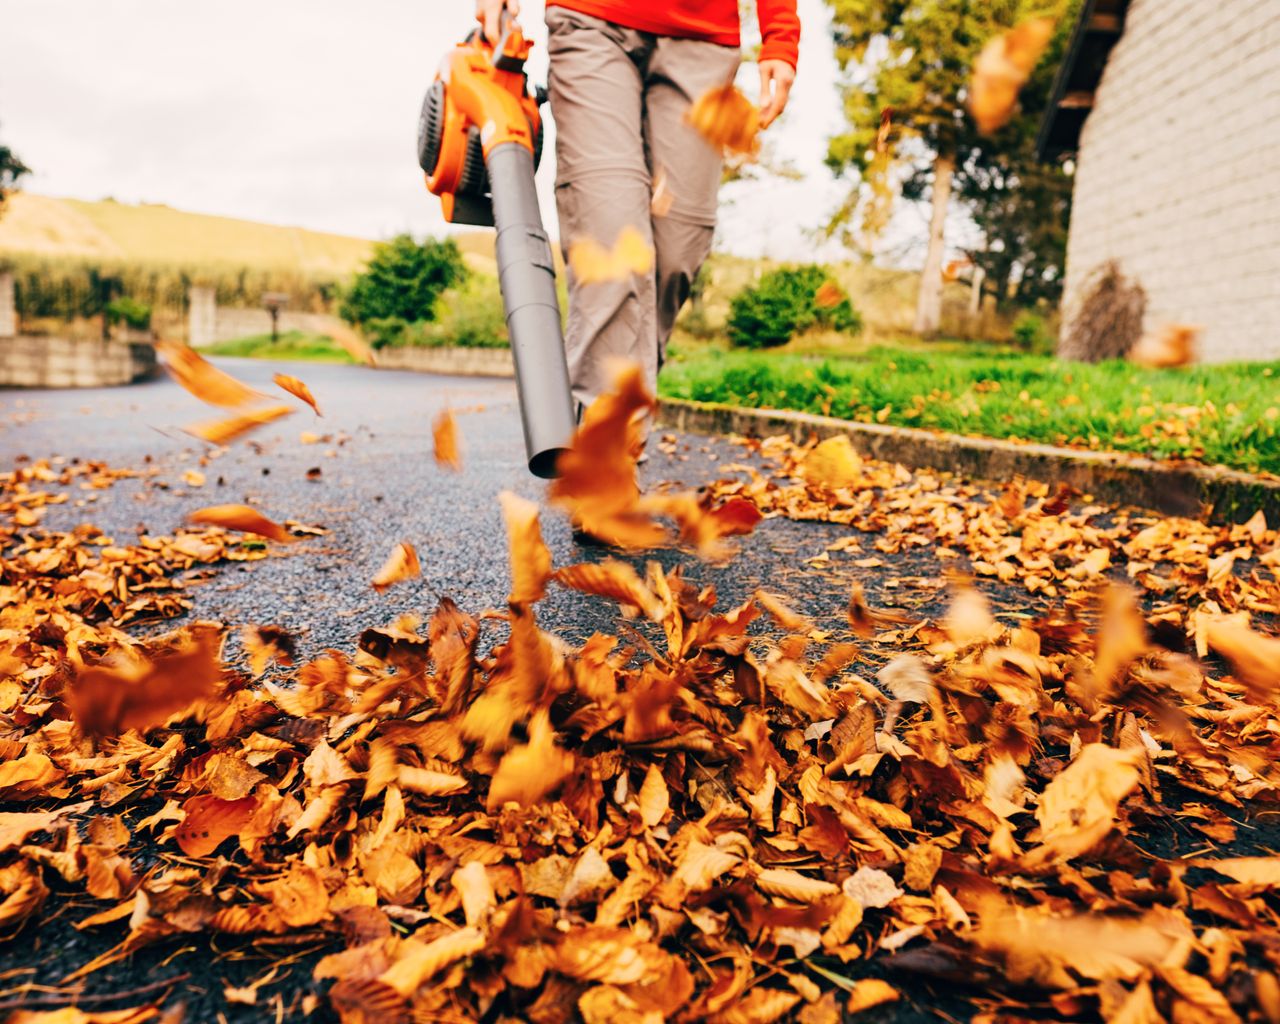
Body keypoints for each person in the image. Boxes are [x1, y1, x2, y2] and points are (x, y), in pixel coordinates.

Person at [475, 0, 799, 416]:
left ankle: (617, 417)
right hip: (592, 20)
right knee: (615, 246)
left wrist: (780, 36)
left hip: (705, 38)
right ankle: (604, 440)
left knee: (678, 250)